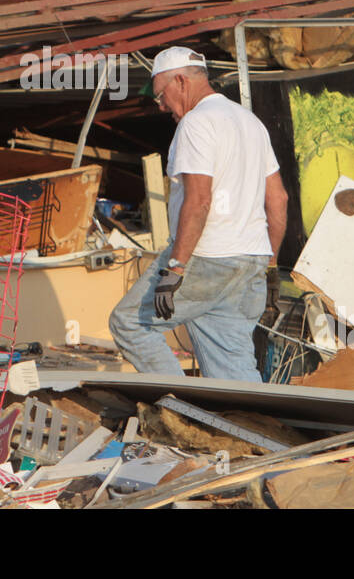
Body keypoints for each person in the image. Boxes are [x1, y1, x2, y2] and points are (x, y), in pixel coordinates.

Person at [110, 46, 288, 382]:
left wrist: (175, 268)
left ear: (181, 81)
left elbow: (199, 201)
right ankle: (249, 429)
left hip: (207, 258)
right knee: (232, 368)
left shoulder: (195, 123)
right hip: (250, 259)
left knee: (130, 322)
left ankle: (179, 404)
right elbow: (278, 199)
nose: (161, 106)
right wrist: (270, 264)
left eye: (161, 95)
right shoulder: (251, 123)